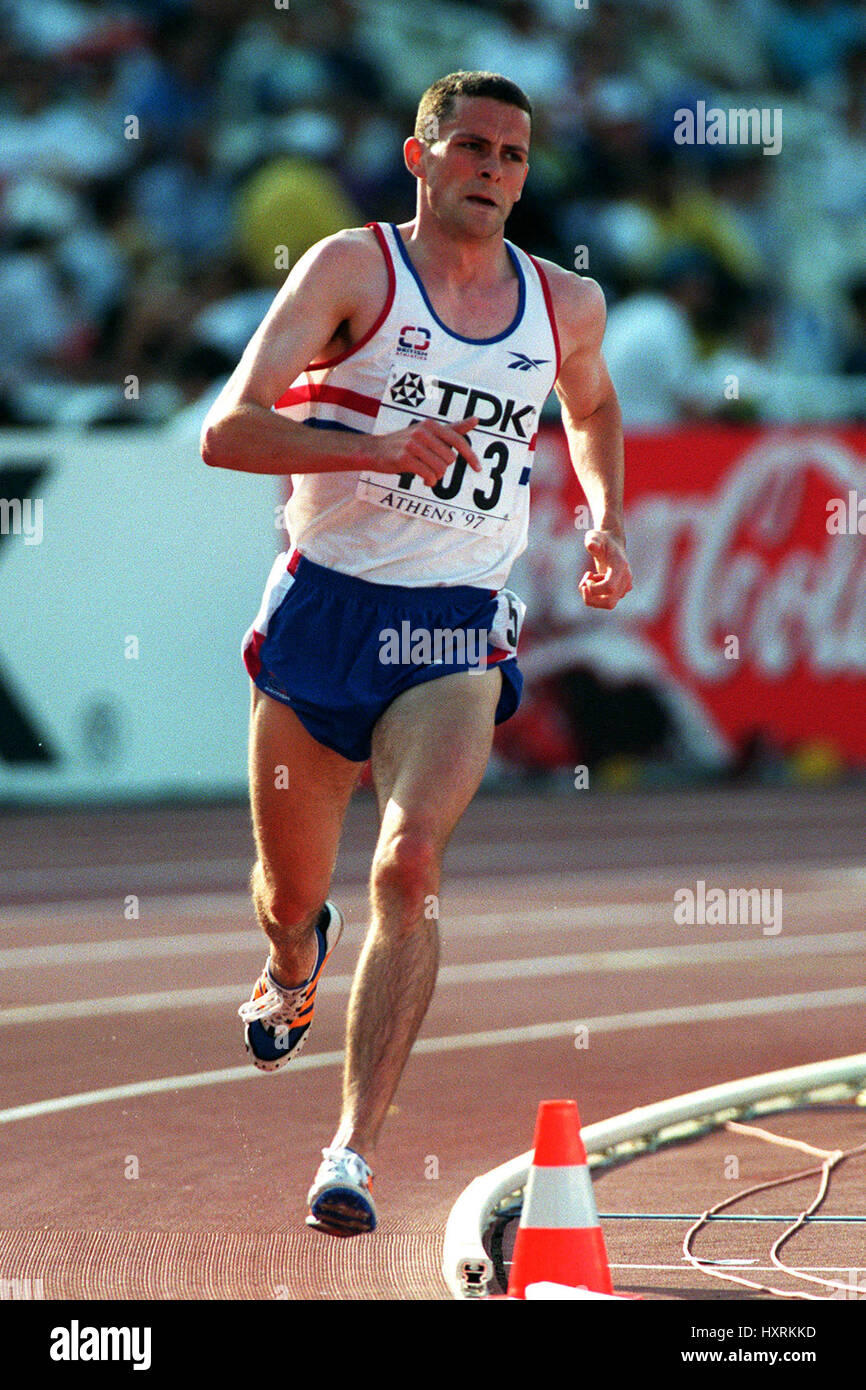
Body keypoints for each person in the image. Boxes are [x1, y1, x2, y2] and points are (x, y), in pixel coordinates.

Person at [200, 70, 632, 1238]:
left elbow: (588, 408)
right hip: (322, 612)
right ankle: (294, 965)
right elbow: (223, 430)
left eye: (513, 156)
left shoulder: (561, 306)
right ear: (419, 156)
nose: (494, 171)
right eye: (474, 148)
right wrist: (382, 448)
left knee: (407, 865)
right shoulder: (352, 272)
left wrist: (602, 515)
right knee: (291, 899)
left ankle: (351, 1154)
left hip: (451, 626)